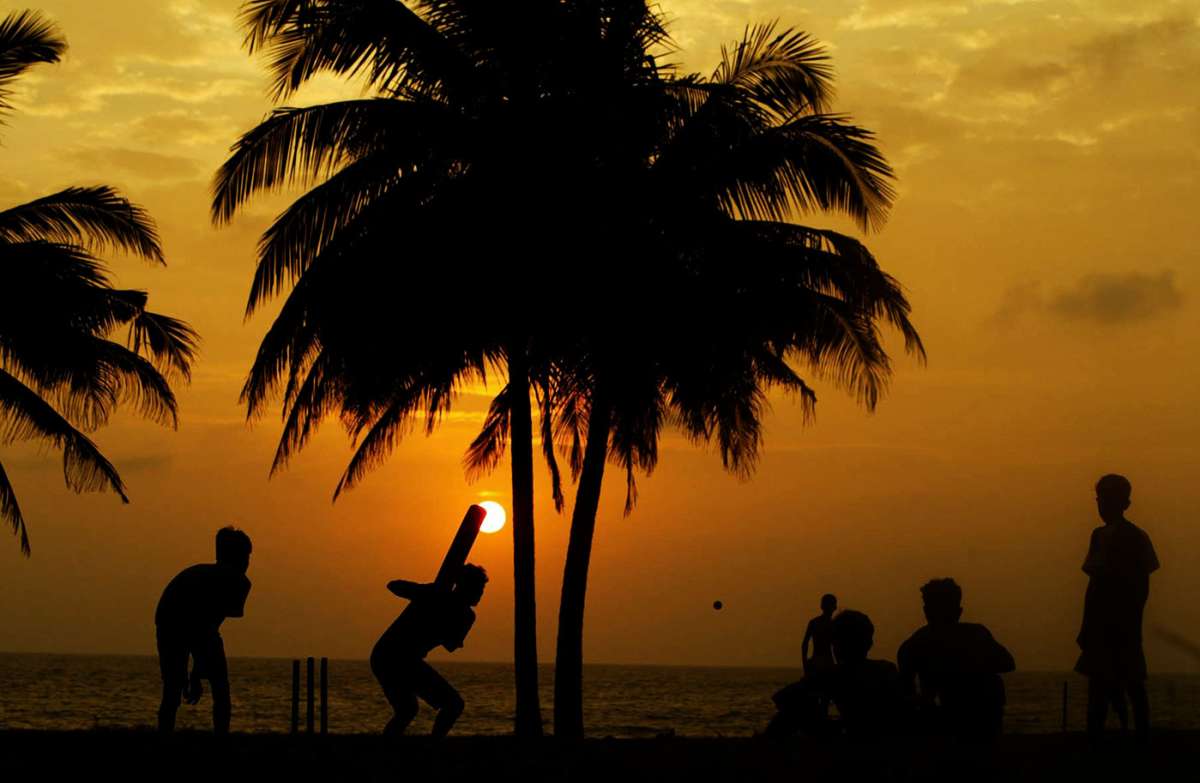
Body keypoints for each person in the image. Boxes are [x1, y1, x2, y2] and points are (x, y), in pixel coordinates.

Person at [1075, 474, 1159, 742]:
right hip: (1105, 622)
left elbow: (1139, 585)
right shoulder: (1099, 536)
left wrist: (1130, 618)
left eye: (1108, 500)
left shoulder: (1133, 537)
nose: (1102, 506)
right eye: (1100, 500)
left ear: (1124, 503)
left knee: (1129, 682)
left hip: (1121, 622)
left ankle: (1135, 736)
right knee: (1103, 684)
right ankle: (1102, 736)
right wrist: (1087, 623)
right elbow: (1094, 585)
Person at [371, 564, 488, 739]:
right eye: (478, 588)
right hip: (390, 656)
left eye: (482, 589)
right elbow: (393, 585)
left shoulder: (466, 615)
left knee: (408, 710)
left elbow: (451, 644)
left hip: (399, 658)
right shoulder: (435, 594)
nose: (480, 593)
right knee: (450, 705)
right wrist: (425, 592)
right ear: (465, 586)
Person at [154, 526, 252, 734]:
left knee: (215, 685)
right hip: (171, 622)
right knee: (175, 685)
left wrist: (197, 672)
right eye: (244, 556)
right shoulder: (233, 582)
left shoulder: (239, 583)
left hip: (190, 623)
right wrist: (196, 673)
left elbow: (207, 628)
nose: (247, 562)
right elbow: (204, 628)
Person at [897, 578, 1014, 741]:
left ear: (925, 610)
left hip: (974, 716)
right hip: (949, 718)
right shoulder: (976, 635)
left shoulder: (913, 645)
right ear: (959, 611)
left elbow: (1007, 663)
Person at [767, 610, 905, 741]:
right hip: (885, 739)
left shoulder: (833, 675)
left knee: (792, 714)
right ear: (869, 644)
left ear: (836, 645)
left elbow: (783, 698)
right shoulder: (887, 669)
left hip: (860, 740)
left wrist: (817, 721)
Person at [803, 594, 838, 674]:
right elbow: (836, 647)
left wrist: (805, 663)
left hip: (817, 661)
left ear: (821, 606)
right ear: (835, 607)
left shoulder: (814, 622)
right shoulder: (833, 625)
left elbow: (804, 644)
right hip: (826, 662)